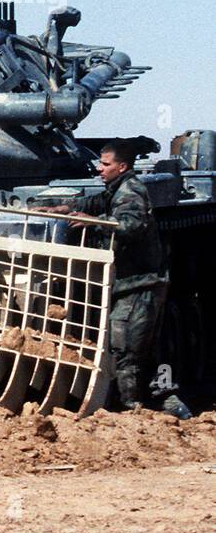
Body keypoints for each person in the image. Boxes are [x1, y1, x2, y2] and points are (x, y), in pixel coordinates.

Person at [42, 141, 190, 417]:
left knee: (126, 347)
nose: (100, 169)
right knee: (138, 345)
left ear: (122, 166)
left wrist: (94, 222)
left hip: (139, 283)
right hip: (134, 282)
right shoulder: (117, 188)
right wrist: (60, 210)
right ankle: (157, 401)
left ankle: (132, 409)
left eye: (106, 164)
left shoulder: (131, 191)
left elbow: (132, 227)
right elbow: (95, 201)